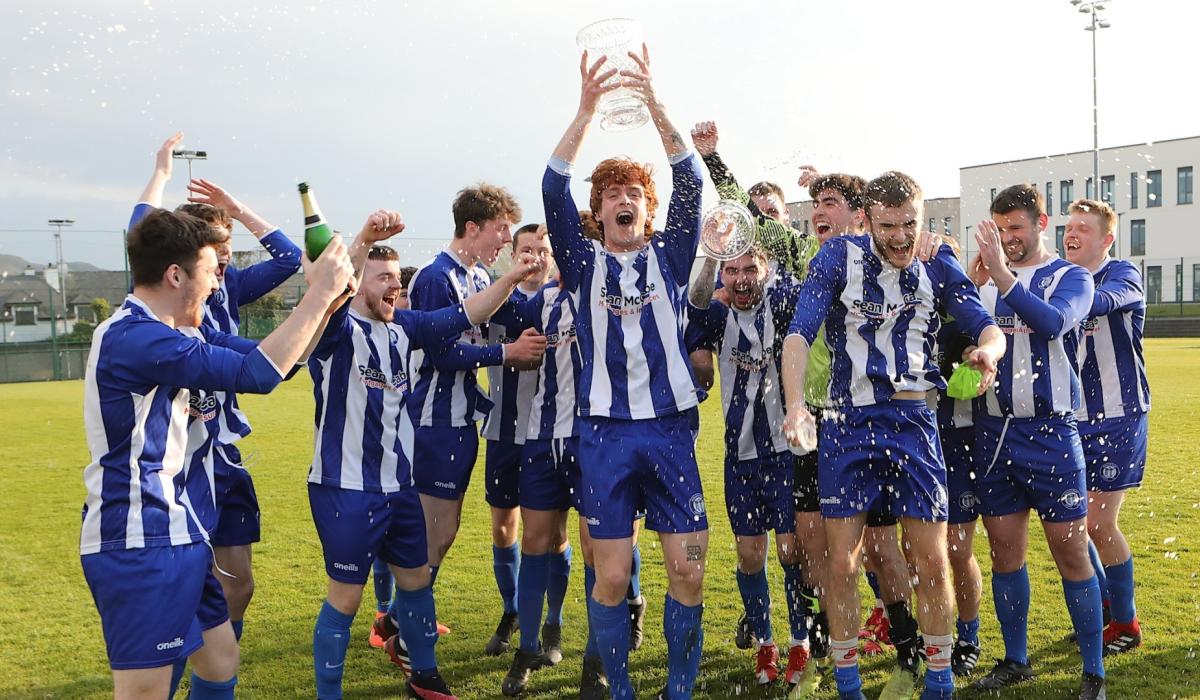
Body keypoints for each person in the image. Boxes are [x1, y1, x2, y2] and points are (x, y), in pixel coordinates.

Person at [81, 202, 353, 700]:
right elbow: (259, 376)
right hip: (138, 538)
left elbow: (275, 360)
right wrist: (319, 294)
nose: (215, 283)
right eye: (210, 270)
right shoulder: (134, 336)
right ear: (175, 275)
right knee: (144, 691)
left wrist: (327, 301)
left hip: (176, 530)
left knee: (220, 658)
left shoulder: (175, 332)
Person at [781, 171, 1005, 700]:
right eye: (888, 226)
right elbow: (798, 335)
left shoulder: (938, 261)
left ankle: (940, 680)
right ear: (866, 220)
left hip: (913, 423)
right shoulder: (837, 258)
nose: (902, 238)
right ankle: (849, 682)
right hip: (847, 424)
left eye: (911, 224)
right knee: (842, 560)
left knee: (930, 555)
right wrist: (794, 406)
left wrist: (988, 355)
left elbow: (987, 326)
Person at [305, 210, 545, 700]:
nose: (394, 287)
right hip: (346, 486)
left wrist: (514, 276)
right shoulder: (335, 331)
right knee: (345, 599)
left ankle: (425, 678)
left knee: (415, 582)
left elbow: (463, 315)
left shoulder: (403, 326)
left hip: (398, 485)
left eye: (397, 278)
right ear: (356, 284)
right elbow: (327, 294)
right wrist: (363, 238)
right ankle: (328, 693)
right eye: (382, 279)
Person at [542, 46, 707, 699]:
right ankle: (621, 691)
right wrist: (585, 112)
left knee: (689, 572)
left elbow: (690, 178)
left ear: (648, 205)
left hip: (670, 435)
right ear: (599, 209)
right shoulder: (583, 265)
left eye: (632, 191)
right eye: (610, 193)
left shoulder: (671, 255)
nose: (621, 199)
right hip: (604, 439)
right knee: (609, 578)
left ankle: (679, 691)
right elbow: (553, 185)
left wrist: (655, 104)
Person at [132, 134, 304, 671]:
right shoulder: (170, 312)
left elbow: (290, 257)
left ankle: (215, 669)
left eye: (228, 254)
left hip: (226, 451)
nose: (225, 265)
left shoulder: (228, 288)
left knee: (241, 585)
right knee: (188, 594)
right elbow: (139, 229)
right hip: (185, 458)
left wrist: (239, 210)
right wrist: (160, 174)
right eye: (216, 256)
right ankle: (187, 669)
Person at [966, 185, 1106, 700]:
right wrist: (971, 354)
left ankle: (1093, 671)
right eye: (999, 231)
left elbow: (1052, 323)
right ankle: (1015, 660)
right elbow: (966, 334)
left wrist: (1001, 275)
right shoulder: (983, 280)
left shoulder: (1071, 277)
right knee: (1006, 554)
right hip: (995, 433)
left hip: (1051, 433)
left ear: (1040, 222)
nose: (1008, 240)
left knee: (1071, 553)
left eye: (1016, 229)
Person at [405, 183, 547, 645]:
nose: (505, 240)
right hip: (434, 420)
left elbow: (522, 309)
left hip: (464, 420)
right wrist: (506, 352)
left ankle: (401, 619)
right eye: (501, 229)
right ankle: (407, 630)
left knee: (444, 532)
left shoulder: (481, 277)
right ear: (472, 227)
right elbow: (441, 354)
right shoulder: (435, 277)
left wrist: (557, 272)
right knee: (433, 533)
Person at [686, 245, 817, 690]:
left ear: (766, 269)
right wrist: (710, 254)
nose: (741, 280)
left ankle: (800, 640)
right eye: (732, 270)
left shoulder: (782, 302)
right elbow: (694, 303)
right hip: (738, 457)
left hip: (784, 454)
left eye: (750, 269)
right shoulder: (715, 316)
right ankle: (765, 640)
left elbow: (805, 277)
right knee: (748, 555)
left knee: (790, 552)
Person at [1063, 198, 1149, 656]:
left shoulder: (1122, 274)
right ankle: (1102, 611)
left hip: (1119, 414)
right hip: (1074, 418)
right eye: (1069, 226)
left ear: (1107, 239)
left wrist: (1059, 298)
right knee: (1074, 525)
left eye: (1084, 228)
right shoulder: (1059, 274)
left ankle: (1126, 621)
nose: (1072, 233)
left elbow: (1101, 302)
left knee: (1098, 521)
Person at [482, 224, 554, 660]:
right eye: (525, 250)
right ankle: (512, 610)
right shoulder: (492, 303)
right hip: (502, 433)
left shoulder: (562, 301)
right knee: (503, 527)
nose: (533, 257)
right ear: (511, 255)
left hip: (547, 436)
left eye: (541, 250)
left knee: (548, 534)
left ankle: (548, 621)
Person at [367, 265, 417, 649]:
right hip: (370, 459)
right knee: (382, 541)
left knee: (406, 540)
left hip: (409, 447)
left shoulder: (408, 334)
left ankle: (401, 614)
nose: (400, 302)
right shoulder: (370, 336)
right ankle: (382, 613)